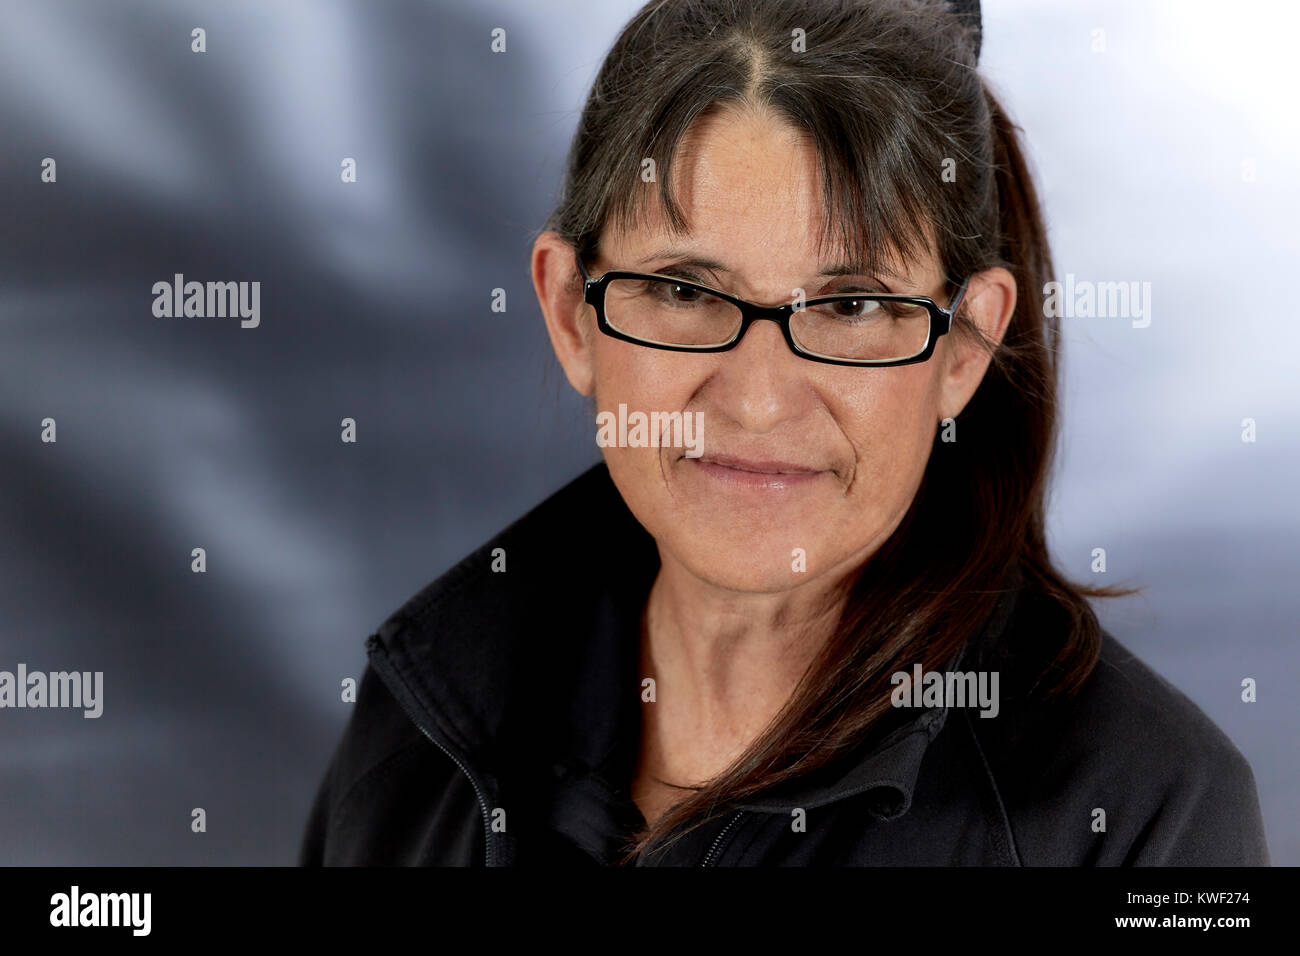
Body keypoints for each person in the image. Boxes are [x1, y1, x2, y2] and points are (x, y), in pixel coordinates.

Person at [299, 0, 1270, 866]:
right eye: (684, 290)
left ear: (965, 345)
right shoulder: (415, 727)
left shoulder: (1146, 816)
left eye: (850, 305)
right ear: (570, 313)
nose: (759, 400)